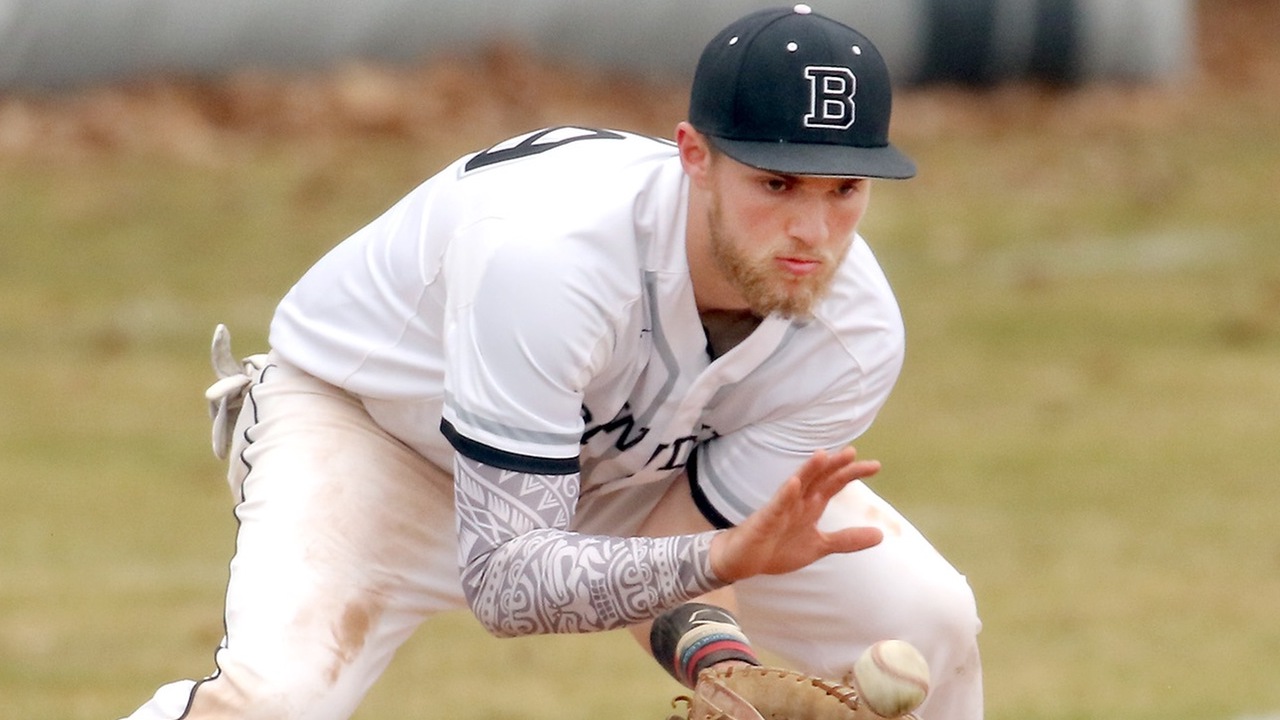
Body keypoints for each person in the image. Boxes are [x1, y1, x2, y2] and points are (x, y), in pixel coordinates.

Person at [123, 5, 982, 719]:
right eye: (777, 183)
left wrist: (723, 668)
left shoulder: (852, 332)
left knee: (931, 623)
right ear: (694, 156)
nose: (812, 232)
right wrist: (720, 562)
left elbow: (678, 530)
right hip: (373, 436)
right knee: (273, 704)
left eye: (844, 189)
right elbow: (507, 581)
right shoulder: (552, 256)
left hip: (614, 475)